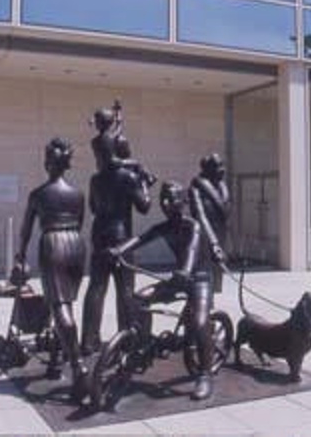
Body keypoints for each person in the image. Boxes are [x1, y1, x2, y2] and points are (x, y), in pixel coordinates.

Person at [108, 181, 215, 401]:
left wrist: (185, 270)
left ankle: (204, 375)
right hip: (180, 278)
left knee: (201, 322)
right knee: (140, 299)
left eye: (172, 198)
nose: (166, 203)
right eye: (163, 198)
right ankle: (145, 343)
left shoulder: (192, 226)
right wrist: (119, 250)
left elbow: (192, 249)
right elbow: (141, 239)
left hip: (199, 280)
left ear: (183, 202)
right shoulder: (165, 227)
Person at [13, 137, 88, 398]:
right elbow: (80, 222)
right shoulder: (78, 194)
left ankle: (79, 368)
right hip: (77, 245)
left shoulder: (38, 194)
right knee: (64, 304)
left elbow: (26, 229)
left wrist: (20, 256)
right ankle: (57, 358)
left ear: (48, 163)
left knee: (60, 306)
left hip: (53, 244)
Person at [81, 127, 151, 355]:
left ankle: (88, 340)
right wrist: (143, 183)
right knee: (126, 290)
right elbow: (144, 206)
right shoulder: (128, 176)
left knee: (96, 288)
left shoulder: (95, 179)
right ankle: (126, 338)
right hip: (121, 238)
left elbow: (93, 207)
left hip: (99, 234)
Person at [189, 153, 230, 293]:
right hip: (205, 234)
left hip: (220, 232)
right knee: (204, 273)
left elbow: (226, 209)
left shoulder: (222, 186)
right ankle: (204, 298)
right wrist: (213, 242)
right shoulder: (196, 187)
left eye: (222, 165)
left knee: (217, 273)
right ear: (208, 169)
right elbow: (200, 216)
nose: (222, 169)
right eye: (218, 166)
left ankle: (215, 292)